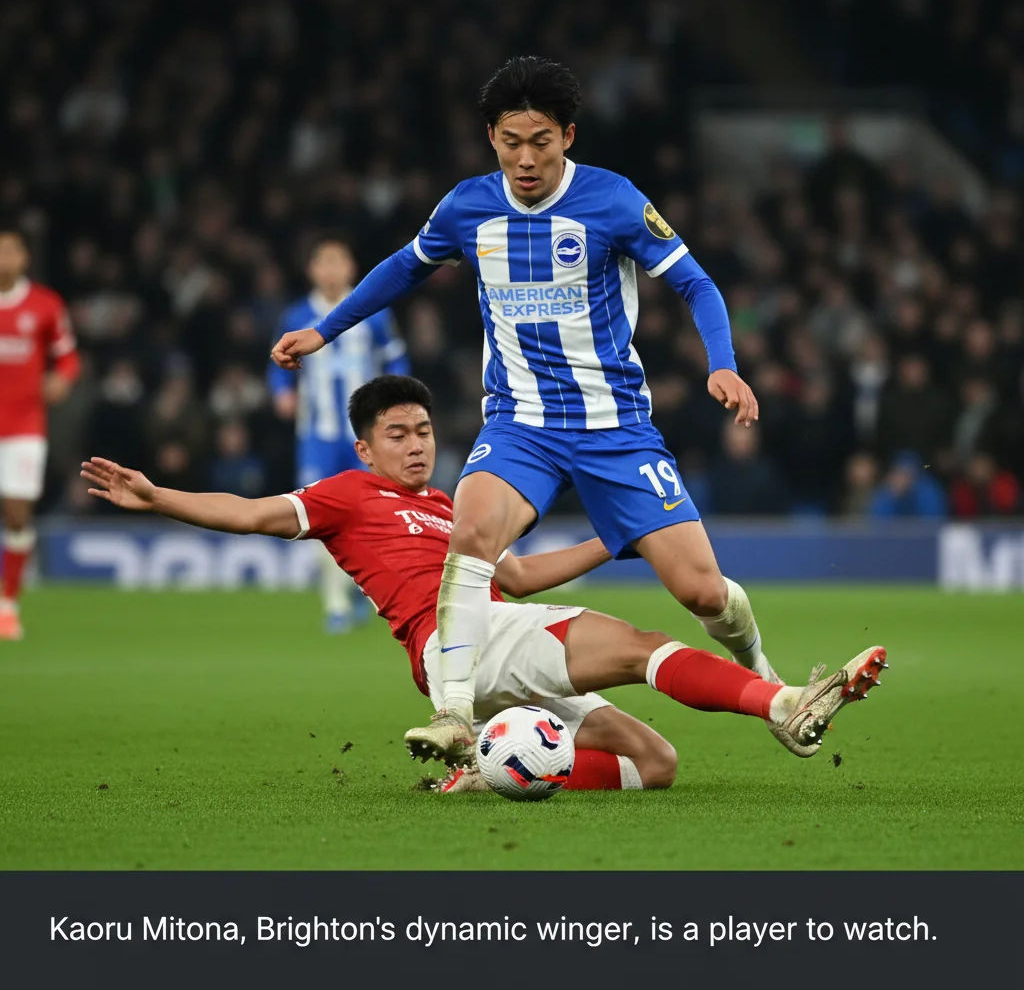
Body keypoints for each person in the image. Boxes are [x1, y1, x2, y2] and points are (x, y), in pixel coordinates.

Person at [270, 58, 781, 765]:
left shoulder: (614, 202)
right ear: (492, 138)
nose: (526, 158)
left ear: (568, 135)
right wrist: (326, 331)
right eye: (511, 141)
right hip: (522, 424)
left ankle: (766, 676)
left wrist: (721, 362)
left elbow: (696, 284)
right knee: (473, 531)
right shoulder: (467, 208)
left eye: (541, 140)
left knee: (702, 592)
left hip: (614, 426)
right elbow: (403, 266)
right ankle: (451, 711)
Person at [81, 375, 886, 792]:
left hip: (497, 639)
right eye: (395, 435)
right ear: (365, 448)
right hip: (452, 650)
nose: (414, 446)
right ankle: (781, 702)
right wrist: (158, 496)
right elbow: (251, 515)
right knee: (639, 646)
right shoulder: (346, 496)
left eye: (423, 431)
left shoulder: (448, 507)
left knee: (654, 762)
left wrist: (614, 540)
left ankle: (489, 773)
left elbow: (522, 574)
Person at [268, 233, 409, 633]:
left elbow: (396, 356)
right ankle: (335, 605)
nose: (331, 269)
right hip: (318, 432)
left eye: (338, 261)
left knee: (371, 512)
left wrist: (400, 400)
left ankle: (362, 590)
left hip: (365, 435)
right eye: (323, 262)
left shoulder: (372, 311)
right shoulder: (297, 315)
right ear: (312, 269)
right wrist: (282, 392)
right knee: (317, 513)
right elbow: (275, 361)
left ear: (350, 268)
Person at [0, 224, 81, 640]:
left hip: (23, 427)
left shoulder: (45, 305)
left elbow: (67, 357)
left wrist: (62, 379)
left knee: (16, 513)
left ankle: (8, 605)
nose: (3, 258)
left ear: (24, 258)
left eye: (10, 251)